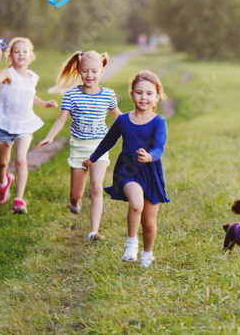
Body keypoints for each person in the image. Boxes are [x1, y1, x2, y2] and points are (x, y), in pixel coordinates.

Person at [83, 71, 169, 268]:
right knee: (136, 204)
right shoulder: (123, 120)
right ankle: (131, 243)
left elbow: (159, 147)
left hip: (150, 172)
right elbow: (108, 142)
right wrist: (92, 159)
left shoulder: (158, 122)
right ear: (132, 94)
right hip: (128, 170)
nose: (143, 98)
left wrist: (150, 156)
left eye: (149, 93)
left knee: (149, 222)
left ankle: (147, 253)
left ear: (157, 96)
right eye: (139, 93)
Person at [37, 50, 119, 241]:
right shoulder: (72, 95)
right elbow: (60, 121)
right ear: (79, 71)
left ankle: (94, 231)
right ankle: (74, 202)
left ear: (101, 71)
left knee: (97, 188)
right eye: (85, 71)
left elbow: (119, 118)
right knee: (76, 193)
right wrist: (50, 136)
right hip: (79, 148)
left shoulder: (108, 95)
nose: (89, 75)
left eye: (94, 71)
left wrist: (134, 132)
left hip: (100, 146)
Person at [0, 37, 58, 215]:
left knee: (20, 159)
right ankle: (3, 182)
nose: (21, 54)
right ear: (10, 56)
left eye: (24, 51)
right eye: (17, 52)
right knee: (3, 162)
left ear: (31, 56)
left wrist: (43, 103)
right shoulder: (7, 74)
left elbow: (28, 94)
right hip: (5, 124)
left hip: (24, 124)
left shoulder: (33, 77)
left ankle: (19, 199)